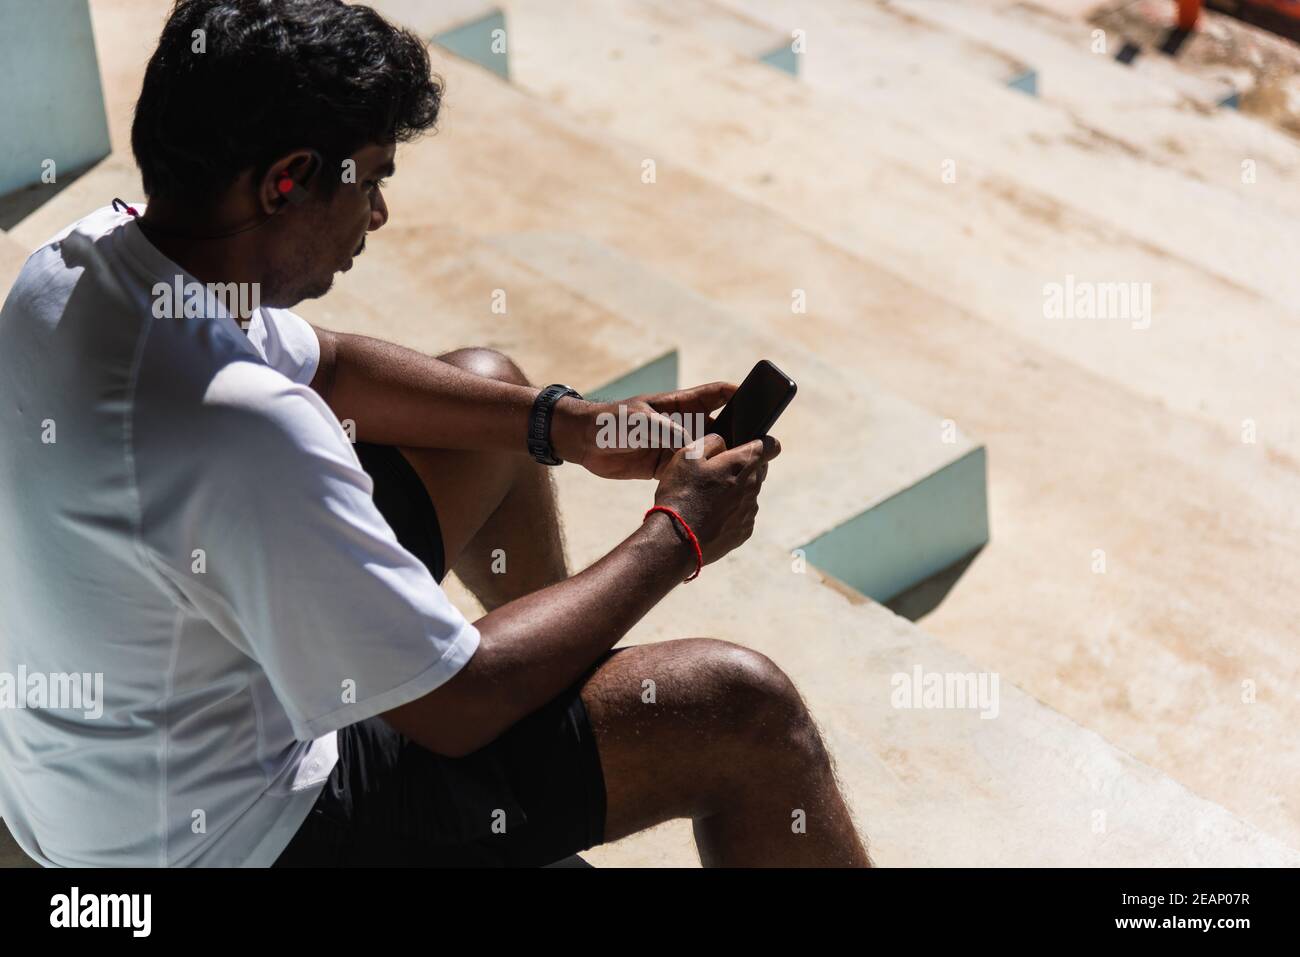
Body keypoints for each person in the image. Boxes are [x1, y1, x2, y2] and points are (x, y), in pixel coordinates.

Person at [0, 0, 869, 867]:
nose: (377, 216)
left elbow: (330, 365)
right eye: (372, 179)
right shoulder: (243, 429)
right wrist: (675, 534)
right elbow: (455, 708)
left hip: (92, 785)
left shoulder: (81, 261)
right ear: (287, 180)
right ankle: (554, 728)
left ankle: (558, 705)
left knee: (491, 396)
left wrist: (571, 425)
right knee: (738, 708)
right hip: (243, 839)